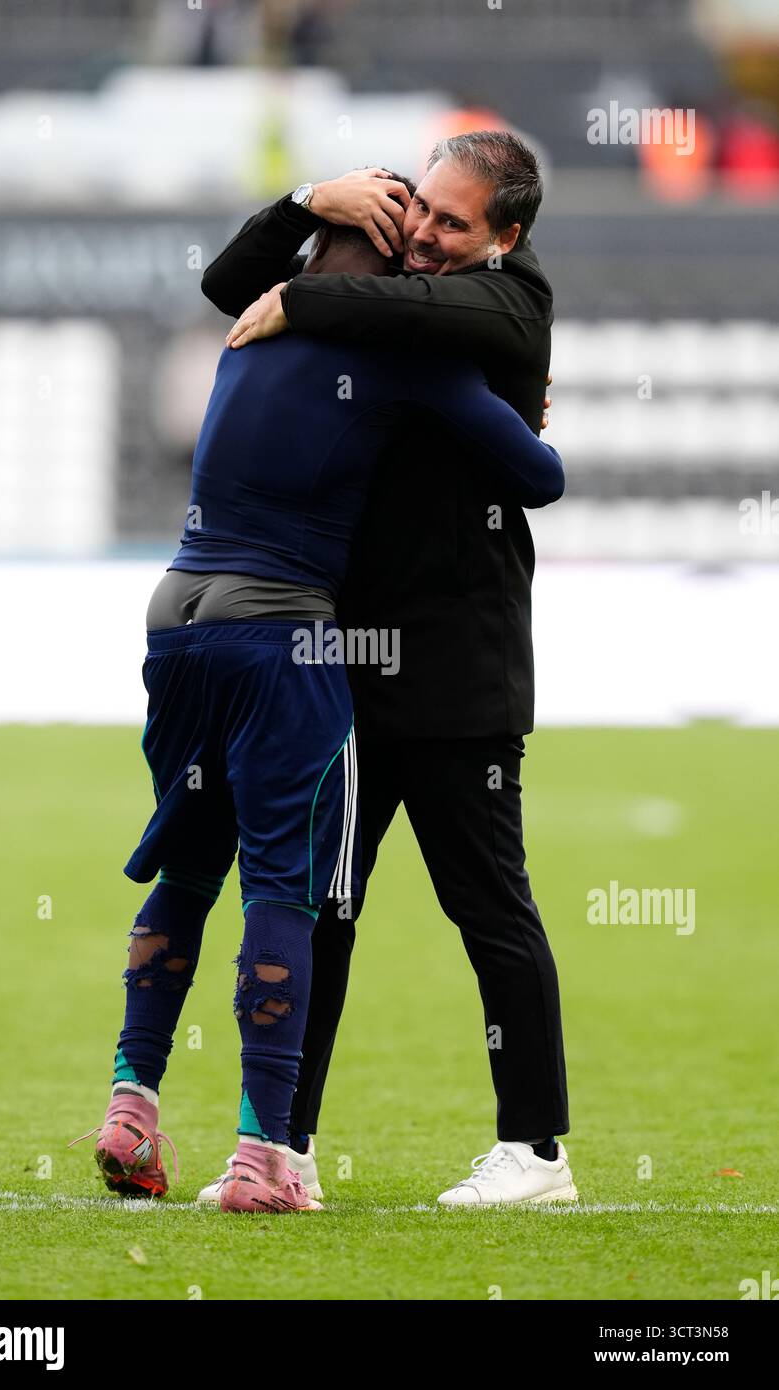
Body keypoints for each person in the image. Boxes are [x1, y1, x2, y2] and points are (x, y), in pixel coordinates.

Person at [69, 193, 565, 1214]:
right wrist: (515, 413)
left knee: (186, 867)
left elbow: (243, 285)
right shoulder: (397, 355)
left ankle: (133, 1100)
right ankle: (263, 1155)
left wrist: (299, 228)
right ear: (386, 281)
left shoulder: (248, 333)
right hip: (277, 630)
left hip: (175, 615)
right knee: (286, 891)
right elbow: (537, 473)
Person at [198, 131, 578, 1209]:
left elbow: (411, 318)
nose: (419, 234)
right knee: (321, 906)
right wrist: (306, 199)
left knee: (489, 908)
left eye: (452, 225)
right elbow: (227, 286)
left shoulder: (509, 302)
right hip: (346, 664)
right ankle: (285, 1144)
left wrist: (306, 301)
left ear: (505, 239)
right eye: (418, 209)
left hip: (461, 662)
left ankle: (535, 1154)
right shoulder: (406, 274)